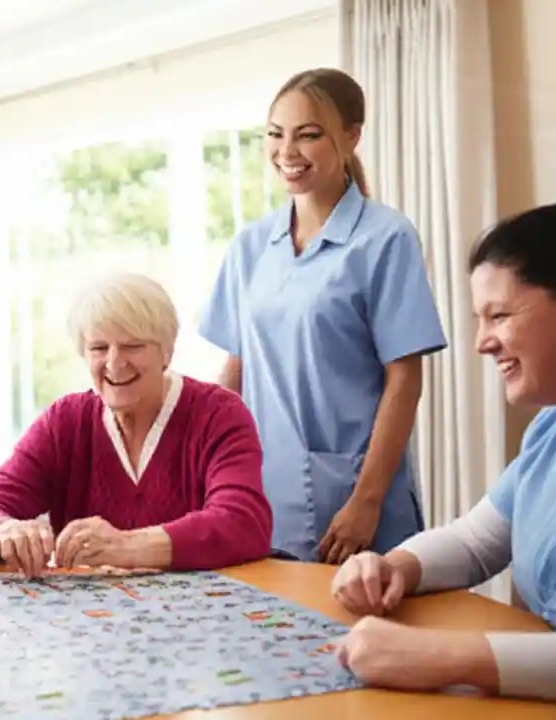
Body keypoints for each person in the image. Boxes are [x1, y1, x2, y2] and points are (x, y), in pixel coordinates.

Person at [331, 199, 556, 714]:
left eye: (499, 315)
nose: (481, 343)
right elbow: (478, 539)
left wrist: (454, 656)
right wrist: (394, 568)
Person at [199, 67, 446, 564]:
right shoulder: (252, 245)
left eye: (308, 135)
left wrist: (367, 500)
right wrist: (202, 472)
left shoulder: (384, 238)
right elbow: (235, 372)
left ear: (351, 137)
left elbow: (404, 382)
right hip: (262, 498)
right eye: (275, 134)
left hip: (353, 502)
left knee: (364, 640)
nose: (287, 152)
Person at [0, 272, 272, 577]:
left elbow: (243, 522)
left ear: (167, 351)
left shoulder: (218, 414)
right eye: (99, 348)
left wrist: (127, 546)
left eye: (133, 346)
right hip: (88, 618)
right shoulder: (65, 421)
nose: (115, 363)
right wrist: (7, 530)